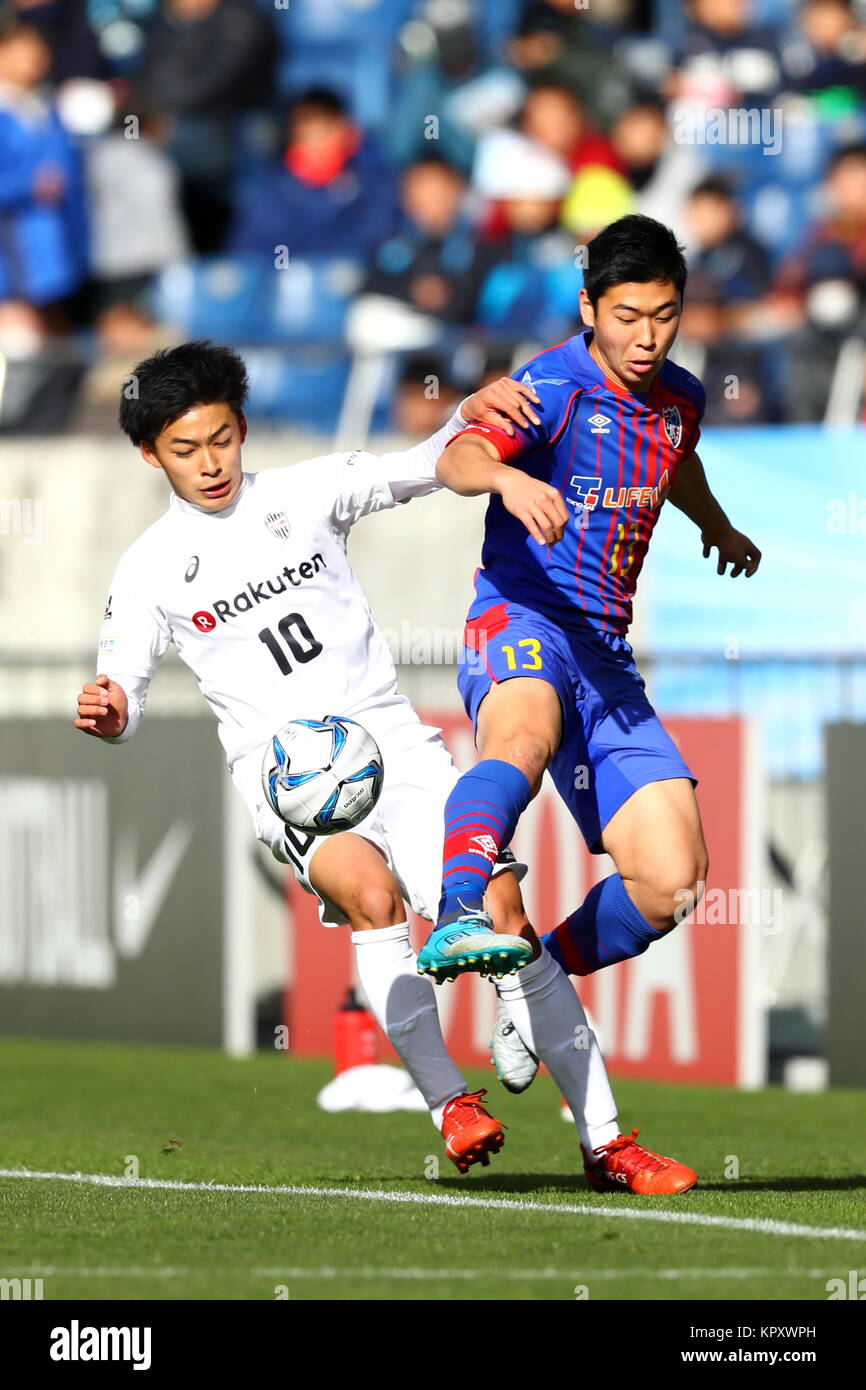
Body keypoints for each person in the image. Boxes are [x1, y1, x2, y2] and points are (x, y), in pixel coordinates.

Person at [74, 339, 697, 1194]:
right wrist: (109, 713)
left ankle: (610, 1144)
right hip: (285, 775)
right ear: (151, 455)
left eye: (222, 439)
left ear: (243, 428)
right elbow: (126, 693)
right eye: (186, 450)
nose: (210, 462)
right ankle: (451, 1104)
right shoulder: (147, 570)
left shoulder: (305, 491)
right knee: (375, 899)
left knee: (506, 919)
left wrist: (471, 424)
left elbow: (425, 466)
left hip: (390, 743)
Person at [418, 215, 761, 1073]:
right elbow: (458, 455)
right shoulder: (549, 386)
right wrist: (502, 475)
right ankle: (463, 908)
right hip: (522, 617)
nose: (646, 337)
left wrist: (717, 524)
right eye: (626, 316)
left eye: (665, 314)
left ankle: (534, 984)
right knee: (522, 738)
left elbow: (674, 458)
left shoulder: (681, 396)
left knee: (674, 880)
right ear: (588, 306)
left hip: (606, 655)